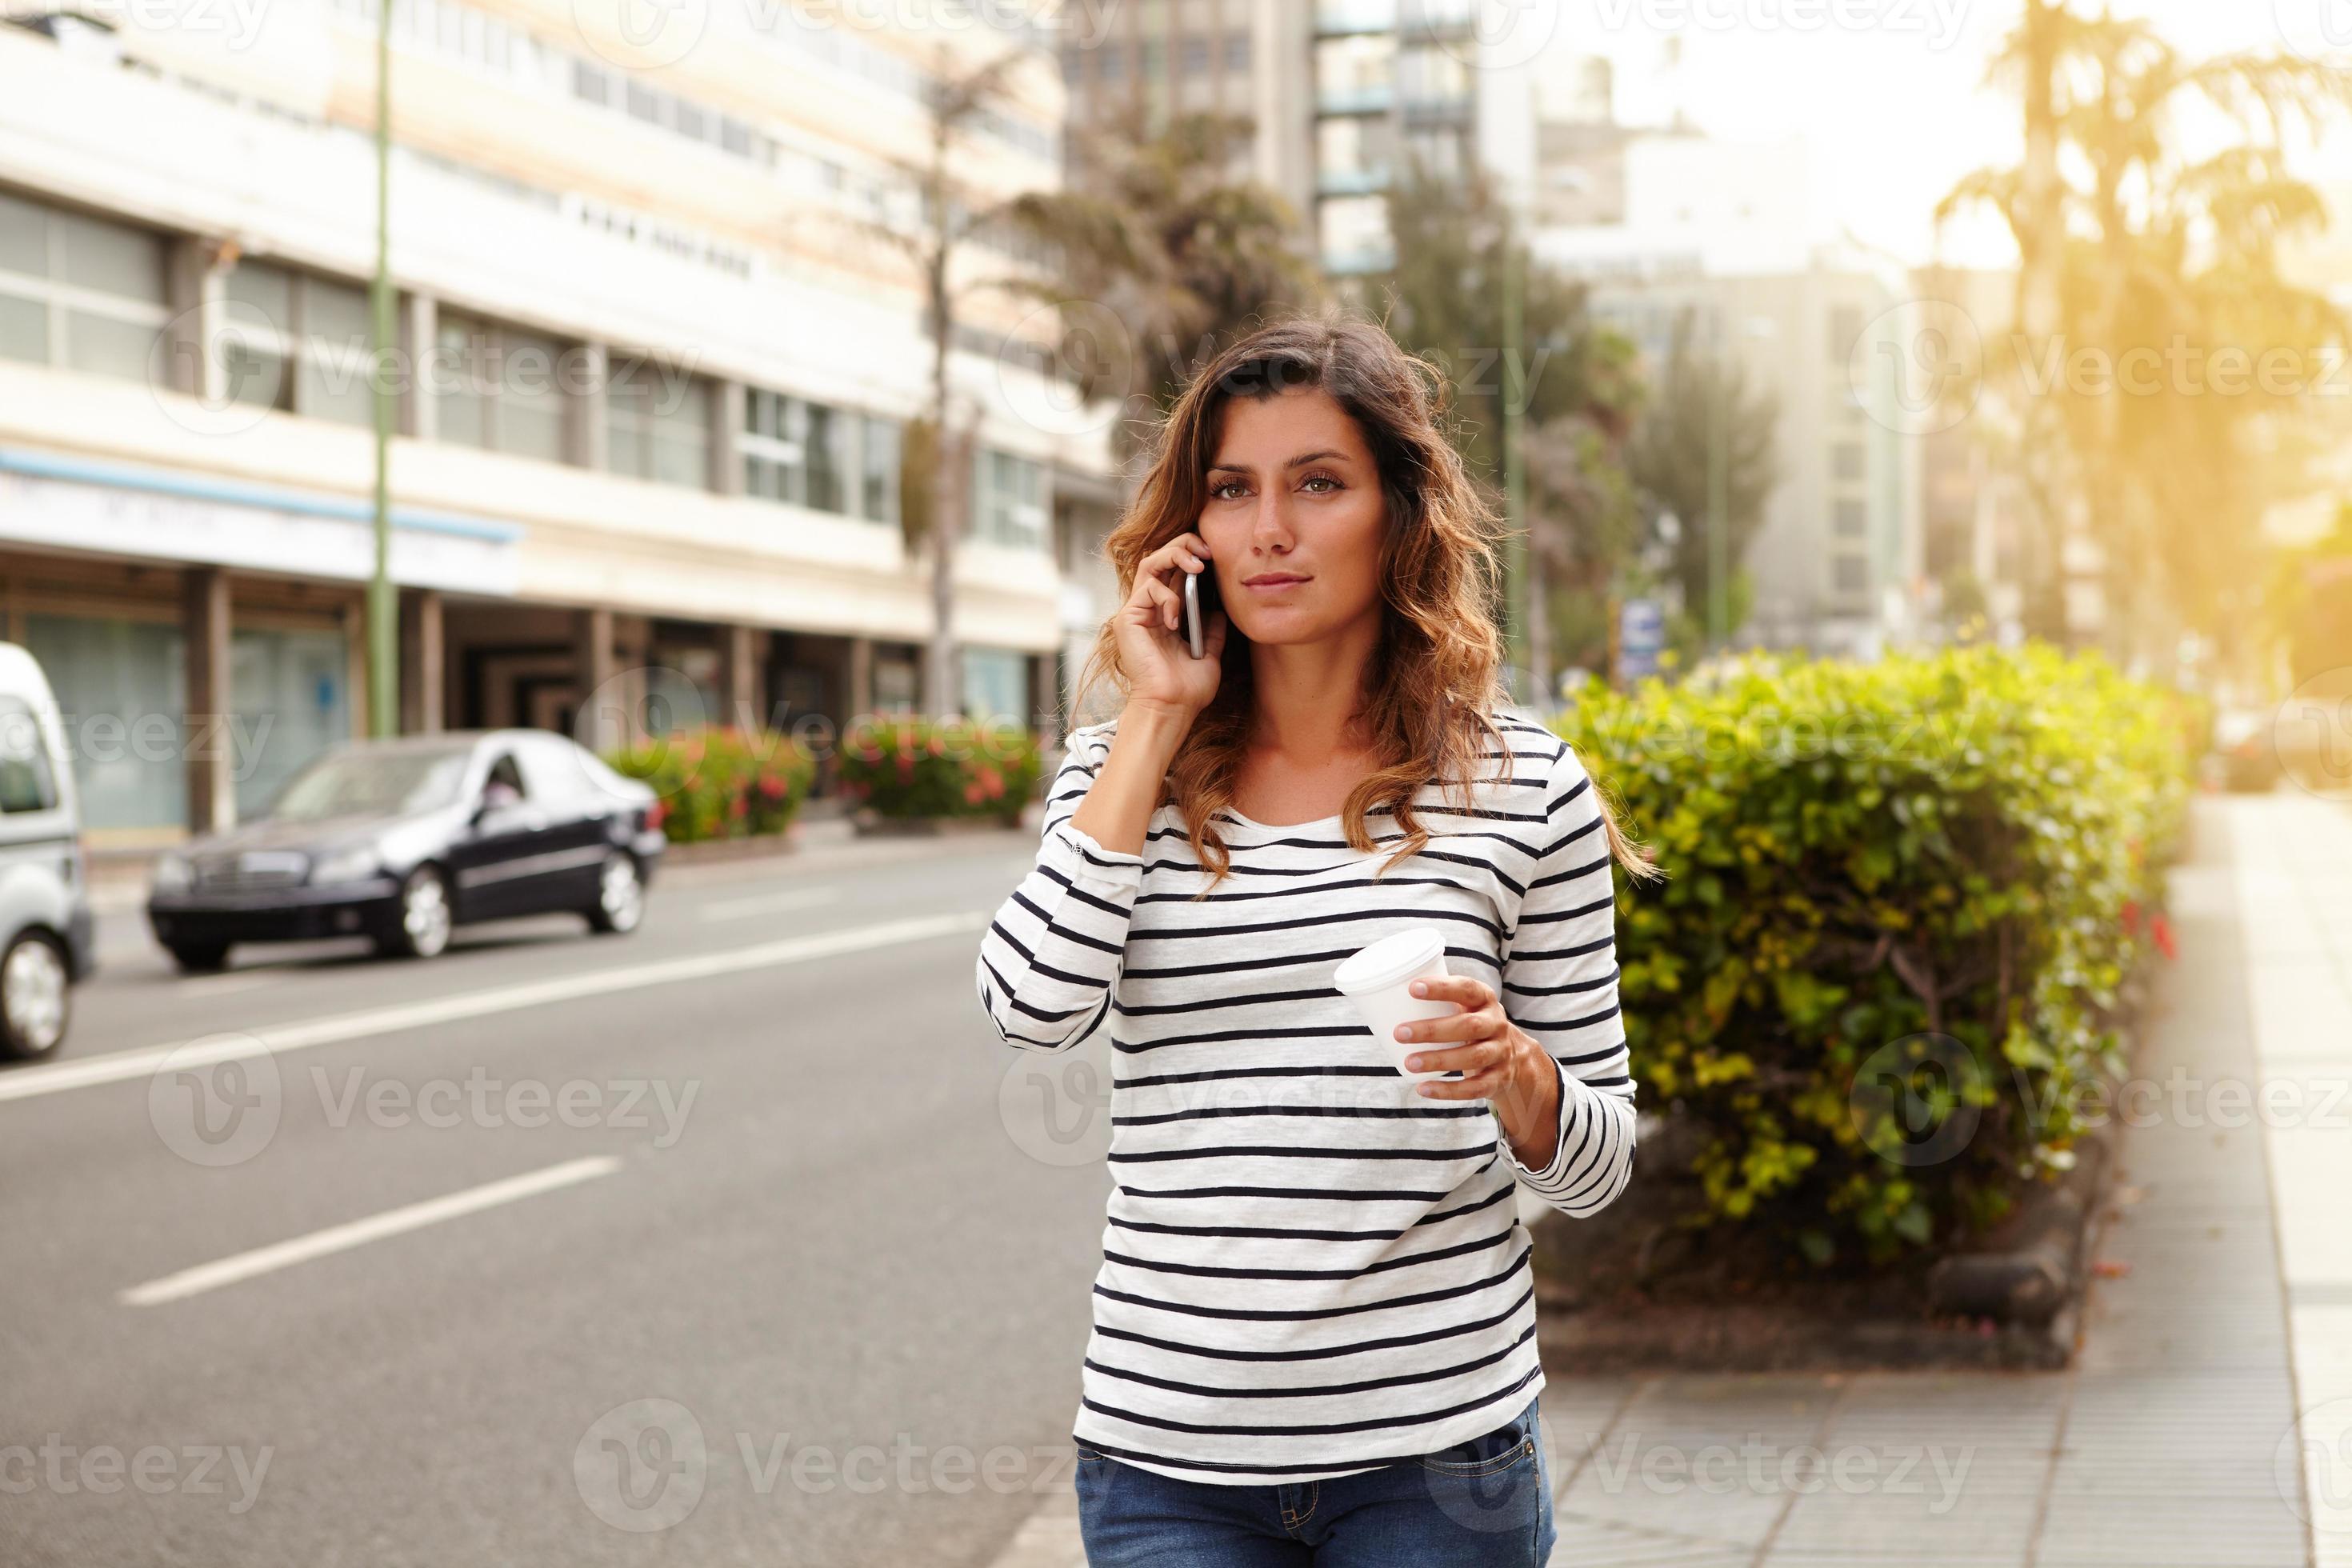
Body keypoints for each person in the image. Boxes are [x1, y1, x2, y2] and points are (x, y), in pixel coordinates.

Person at [974, 314, 1657, 1566]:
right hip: (1165, 1456)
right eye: (1232, 492)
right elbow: (1031, 1005)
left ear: (1398, 515)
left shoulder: (1522, 789)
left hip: (1439, 1459)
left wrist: (1518, 1075)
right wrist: (1155, 719)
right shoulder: (1117, 777)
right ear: (1193, 534)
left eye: (1318, 484)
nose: (1269, 530)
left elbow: (1598, 1165)